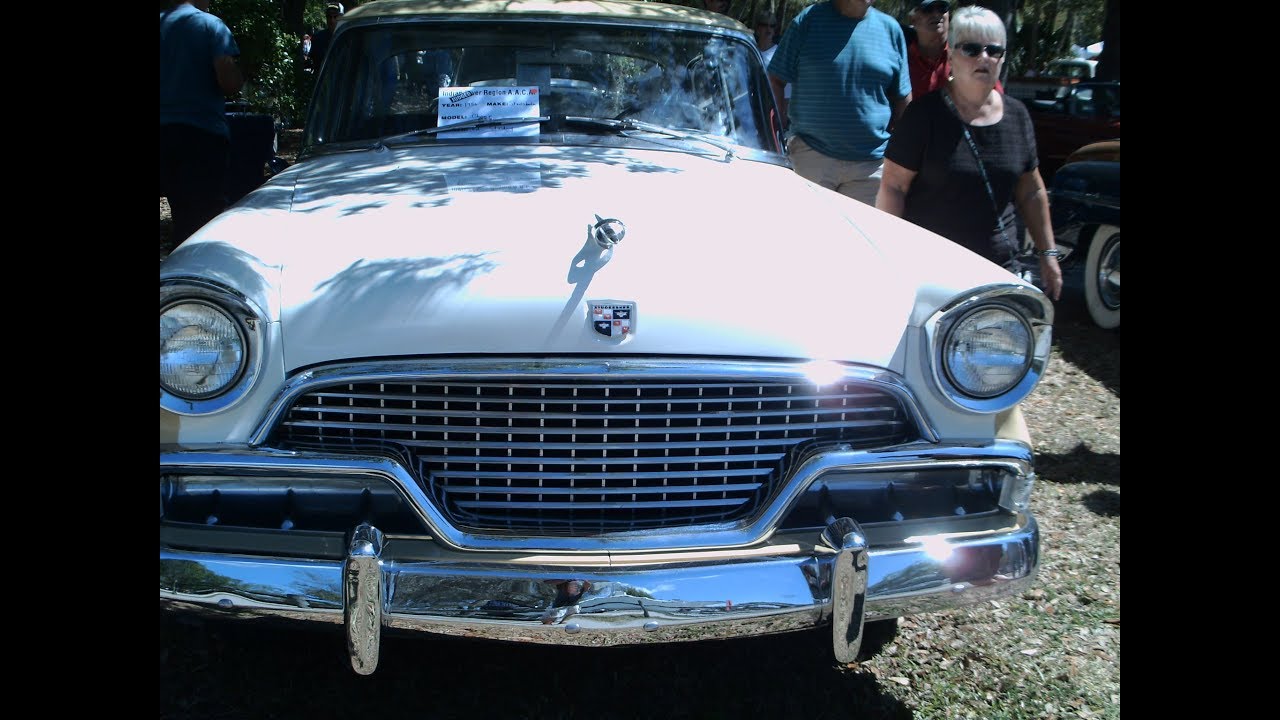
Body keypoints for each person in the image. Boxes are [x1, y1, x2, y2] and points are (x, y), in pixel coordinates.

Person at [876, 5, 1063, 301]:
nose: (984, 58)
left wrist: (1048, 254)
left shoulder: (1018, 115)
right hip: (930, 273)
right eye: (972, 49)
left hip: (999, 272)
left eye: (994, 50)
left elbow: (1031, 190)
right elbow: (893, 187)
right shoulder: (924, 115)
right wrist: (890, 256)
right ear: (951, 54)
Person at [767, 0, 912, 205]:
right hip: (811, 157)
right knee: (806, 233)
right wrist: (779, 133)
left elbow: (903, 98)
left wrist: (900, 153)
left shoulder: (891, 30)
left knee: (864, 235)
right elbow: (775, 79)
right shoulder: (808, 20)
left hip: (871, 166)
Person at [160, 0, 243, 247]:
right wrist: (239, 76)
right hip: (202, 135)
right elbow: (228, 80)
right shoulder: (210, 25)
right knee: (201, 218)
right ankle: (194, 270)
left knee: (179, 208)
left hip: (162, 134)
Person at [903, 1, 1002, 99]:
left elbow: (996, 99)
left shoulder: (970, 55)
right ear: (913, 19)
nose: (936, 14)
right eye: (928, 9)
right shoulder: (901, 60)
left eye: (942, 8)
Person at [310, 3, 344, 72]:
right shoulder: (318, 37)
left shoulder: (347, 38)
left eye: (335, 17)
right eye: (329, 17)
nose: (332, 20)